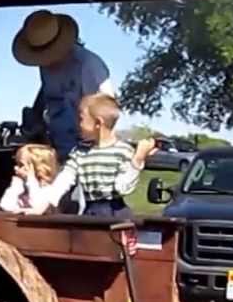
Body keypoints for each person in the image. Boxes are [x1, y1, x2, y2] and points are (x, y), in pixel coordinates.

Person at [25, 93, 155, 218]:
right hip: (90, 212)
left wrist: (138, 159)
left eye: (81, 119)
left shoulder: (123, 152)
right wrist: (44, 204)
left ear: (98, 123)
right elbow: (63, 181)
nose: (78, 124)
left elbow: (123, 188)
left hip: (116, 213)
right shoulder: (80, 152)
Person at [12, 9, 115, 163]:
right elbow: (48, 94)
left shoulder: (89, 65)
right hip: (56, 148)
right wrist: (34, 119)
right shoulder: (45, 67)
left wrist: (93, 154)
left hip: (86, 155)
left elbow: (108, 112)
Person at [0, 143, 59, 214]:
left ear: (37, 168)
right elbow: (5, 206)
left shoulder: (49, 189)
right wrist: (16, 185)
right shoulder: (20, 187)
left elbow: (37, 206)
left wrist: (31, 180)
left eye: (21, 165)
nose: (15, 168)